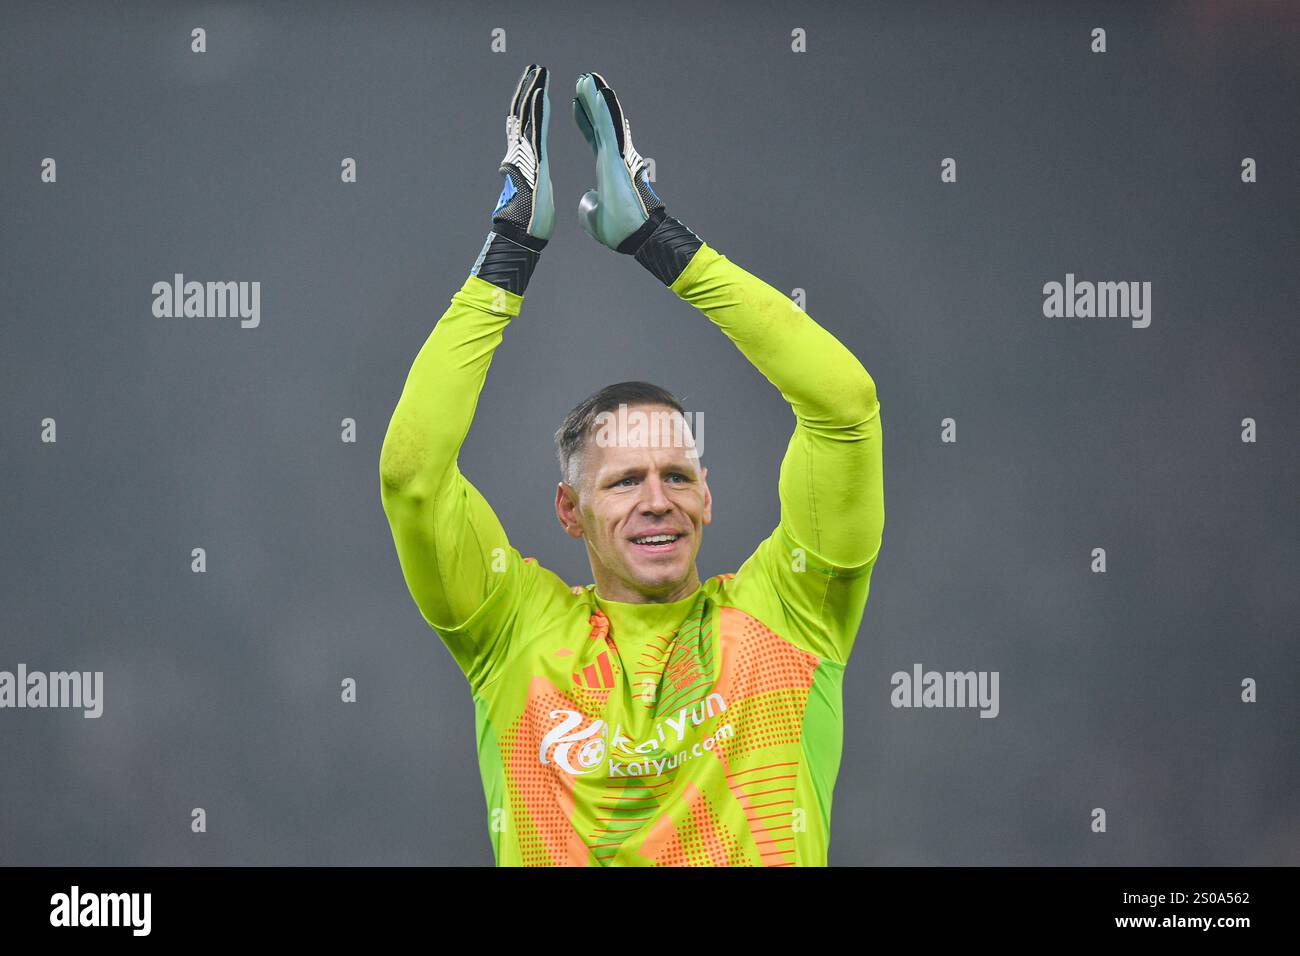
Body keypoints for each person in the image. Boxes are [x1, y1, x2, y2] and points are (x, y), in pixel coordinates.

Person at [379, 65, 885, 866]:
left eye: (678, 475)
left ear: (708, 498)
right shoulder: (513, 633)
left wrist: (663, 245)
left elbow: (845, 407)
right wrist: (508, 254)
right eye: (623, 481)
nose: (659, 500)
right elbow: (412, 474)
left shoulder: (791, 616)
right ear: (568, 511)